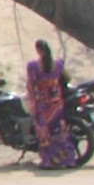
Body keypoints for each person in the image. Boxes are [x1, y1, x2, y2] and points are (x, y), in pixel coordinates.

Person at [26, 38, 78, 169]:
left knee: (44, 133)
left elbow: (31, 85)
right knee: (60, 133)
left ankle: (49, 161)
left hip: (43, 104)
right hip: (56, 103)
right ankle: (68, 159)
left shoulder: (33, 66)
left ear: (38, 50)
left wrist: (32, 103)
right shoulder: (58, 64)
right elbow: (67, 78)